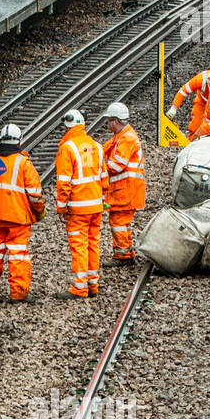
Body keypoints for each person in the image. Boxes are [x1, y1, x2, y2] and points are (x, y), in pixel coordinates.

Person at [0, 123, 45, 304]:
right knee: (18, 254)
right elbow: (35, 196)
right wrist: (39, 212)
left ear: (0, 140)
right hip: (17, 218)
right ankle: (18, 293)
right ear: (19, 141)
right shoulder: (23, 163)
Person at [55, 109, 108, 299]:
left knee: (79, 245)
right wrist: (102, 199)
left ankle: (80, 288)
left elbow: (63, 182)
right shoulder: (97, 146)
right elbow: (104, 178)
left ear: (67, 126)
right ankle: (93, 284)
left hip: (78, 208)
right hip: (96, 207)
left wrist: (61, 207)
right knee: (93, 243)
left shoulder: (67, 148)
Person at [102, 102, 145, 263]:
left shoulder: (126, 139)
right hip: (124, 189)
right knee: (120, 222)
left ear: (116, 121)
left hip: (126, 189)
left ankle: (123, 255)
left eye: (109, 120)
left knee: (118, 222)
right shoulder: (122, 137)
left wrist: (100, 168)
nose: (107, 124)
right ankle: (126, 252)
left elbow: (116, 165)